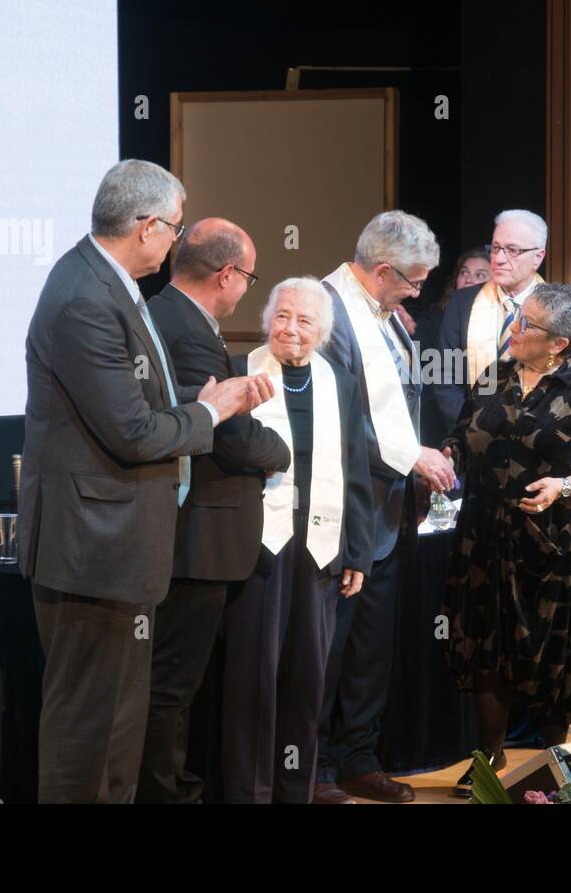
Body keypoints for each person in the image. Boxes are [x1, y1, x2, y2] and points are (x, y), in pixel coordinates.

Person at [19, 160, 272, 803]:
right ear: (147, 225)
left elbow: (137, 406)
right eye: (175, 228)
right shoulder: (84, 296)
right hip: (91, 549)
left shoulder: (108, 283)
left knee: (118, 730)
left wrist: (200, 404)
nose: (177, 242)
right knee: (86, 732)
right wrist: (211, 412)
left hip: (117, 548)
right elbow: (131, 432)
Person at [439, 283, 571, 797]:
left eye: (526, 324)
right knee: (487, 647)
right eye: (518, 318)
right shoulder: (492, 377)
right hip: (484, 538)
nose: (514, 329)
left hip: (556, 544)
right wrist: (444, 458)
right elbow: (462, 438)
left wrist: (563, 486)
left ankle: (553, 759)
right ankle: (489, 756)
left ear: (559, 343)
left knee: (552, 650)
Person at [136, 219, 291, 803]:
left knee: (173, 682)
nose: (247, 288)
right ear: (227, 275)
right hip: (196, 538)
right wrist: (281, 452)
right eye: (250, 277)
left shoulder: (162, 312)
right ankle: (168, 793)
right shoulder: (191, 332)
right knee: (172, 685)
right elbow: (227, 436)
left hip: (186, 533)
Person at [315, 210, 456, 804]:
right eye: (414, 281)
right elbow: (335, 421)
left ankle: (359, 759)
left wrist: (419, 459)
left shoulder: (385, 311)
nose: (419, 293)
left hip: (388, 514)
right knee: (330, 649)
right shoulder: (326, 311)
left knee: (371, 650)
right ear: (382, 270)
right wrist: (411, 457)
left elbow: (399, 400)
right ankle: (314, 769)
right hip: (344, 515)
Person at [220, 278, 374, 803]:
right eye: (281, 316)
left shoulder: (341, 382)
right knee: (253, 676)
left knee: (308, 678)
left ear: (322, 331)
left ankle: (294, 789)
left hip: (320, 549)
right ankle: (249, 792)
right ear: (267, 320)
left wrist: (358, 552)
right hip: (259, 545)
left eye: (304, 320)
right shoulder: (240, 371)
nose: (290, 328)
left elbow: (355, 469)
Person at [435, 210, 547, 430]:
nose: (499, 259)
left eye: (512, 250)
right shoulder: (463, 302)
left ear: (538, 257)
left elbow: (564, 385)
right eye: (495, 248)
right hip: (471, 435)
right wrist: (471, 430)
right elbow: (445, 375)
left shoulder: (556, 308)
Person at [416, 248, 491, 447]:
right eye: (464, 272)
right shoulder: (430, 322)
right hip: (440, 421)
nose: (469, 280)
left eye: (480, 275)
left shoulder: (498, 323)